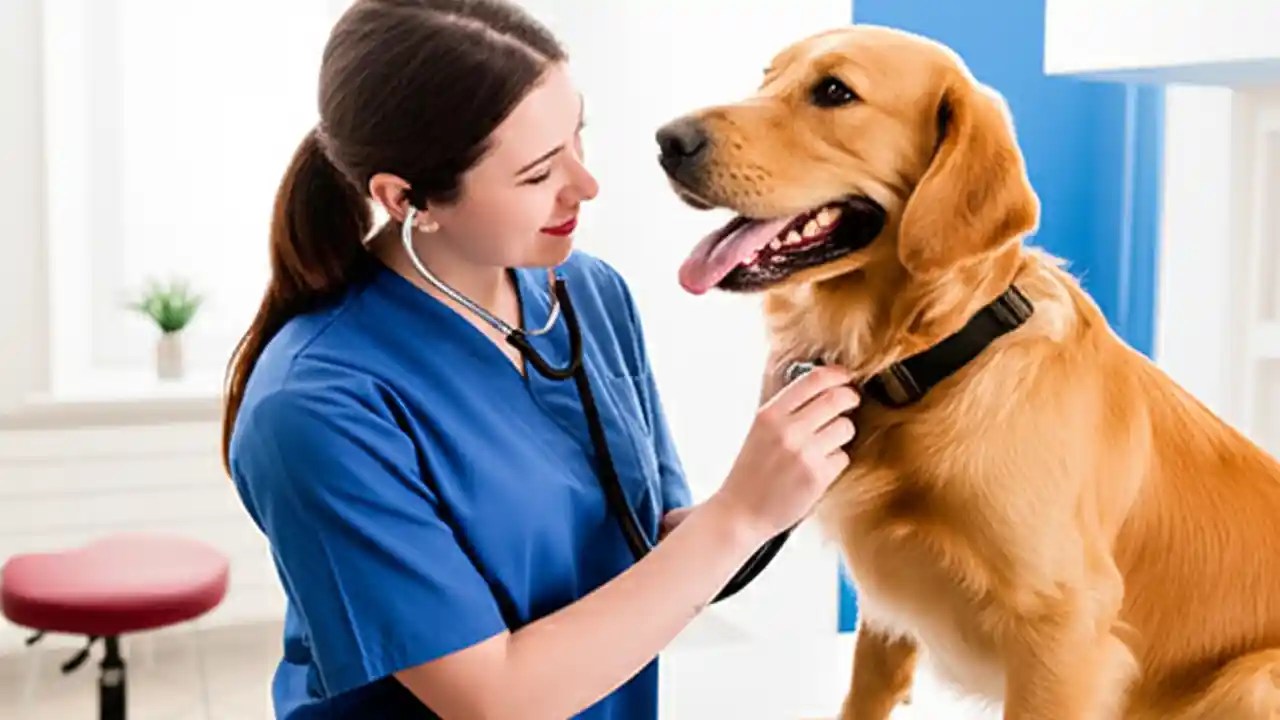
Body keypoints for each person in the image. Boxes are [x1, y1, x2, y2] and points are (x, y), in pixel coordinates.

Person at [221, 0, 860, 717]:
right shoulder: (315, 406)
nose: (587, 186)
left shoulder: (587, 294)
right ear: (406, 198)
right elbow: (492, 700)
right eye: (536, 174)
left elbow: (651, 553)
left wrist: (775, 471)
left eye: (578, 136)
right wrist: (740, 515)